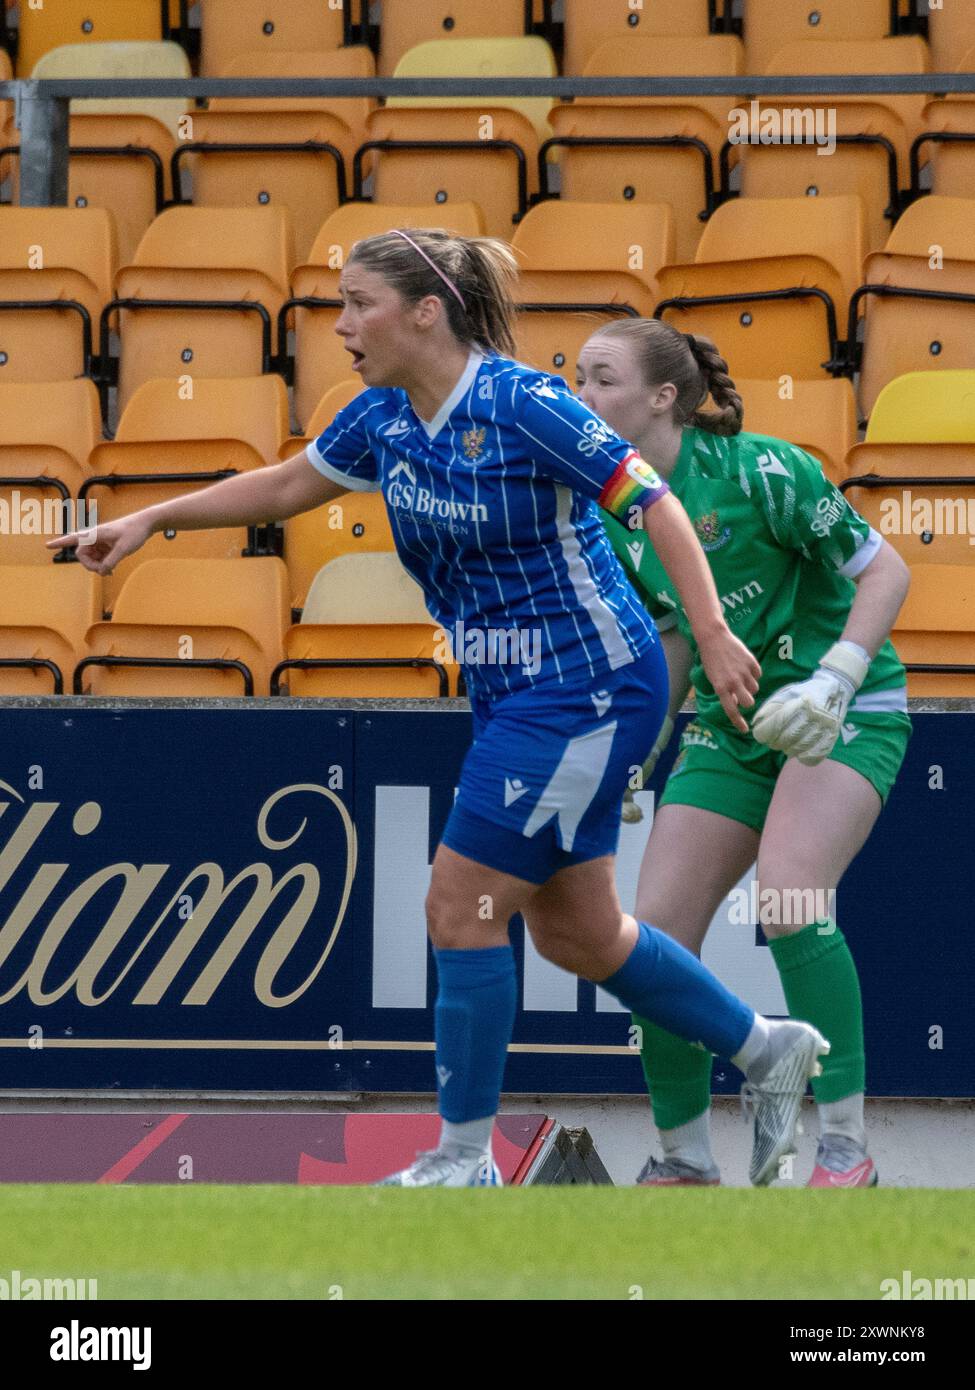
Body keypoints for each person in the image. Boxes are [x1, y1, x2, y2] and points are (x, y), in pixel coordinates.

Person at [52, 229, 828, 1188]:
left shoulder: (525, 403)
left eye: (359, 303)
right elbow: (291, 484)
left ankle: (463, 1158)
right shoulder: (382, 415)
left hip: (583, 687)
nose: (339, 325)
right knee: (578, 935)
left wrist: (709, 633)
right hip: (514, 694)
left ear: (426, 312)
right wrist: (151, 518)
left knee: (459, 907)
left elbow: (655, 503)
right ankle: (763, 1049)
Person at [576, 317, 911, 1188]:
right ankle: (684, 1159)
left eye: (601, 380)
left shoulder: (765, 471)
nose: (582, 398)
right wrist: (638, 754)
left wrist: (834, 679)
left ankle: (843, 1148)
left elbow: (886, 573)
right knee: (647, 943)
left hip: (843, 711)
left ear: (662, 397)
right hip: (731, 728)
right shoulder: (613, 508)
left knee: (791, 893)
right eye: (577, 379)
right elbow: (677, 638)